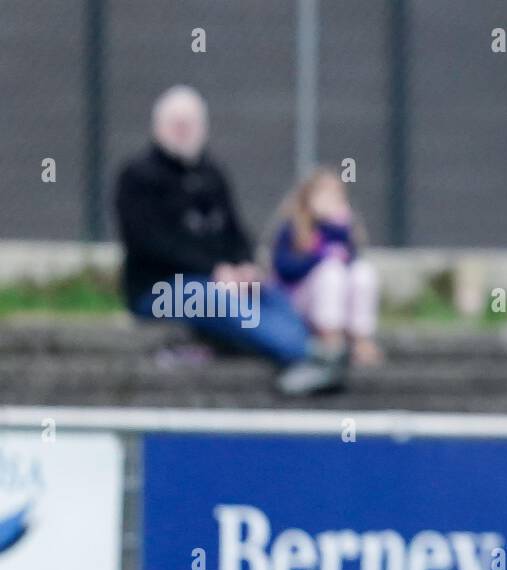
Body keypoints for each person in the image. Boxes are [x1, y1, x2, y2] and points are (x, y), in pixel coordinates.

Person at [113, 85, 346, 396]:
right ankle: (302, 356)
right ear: (158, 127)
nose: (183, 132)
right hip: (157, 291)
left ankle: (313, 349)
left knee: (268, 294)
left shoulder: (212, 175)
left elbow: (235, 232)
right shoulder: (137, 177)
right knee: (213, 298)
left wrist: (244, 267)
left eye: (189, 124)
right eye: (176, 124)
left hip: (218, 280)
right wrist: (215, 271)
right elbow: (150, 243)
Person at [270, 169, 383, 366]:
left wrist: (338, 228)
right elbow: (285, 269)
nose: (331, 201)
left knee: (362, 272)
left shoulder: (341, 230)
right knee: (330, 271)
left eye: (336, 196)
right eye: (324, 195)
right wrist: (318, 257)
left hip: (338, 298)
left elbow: (351, 260)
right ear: (309, 198)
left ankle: (360, 339)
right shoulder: (293, 228)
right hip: (301, 300)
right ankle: (330, 338)